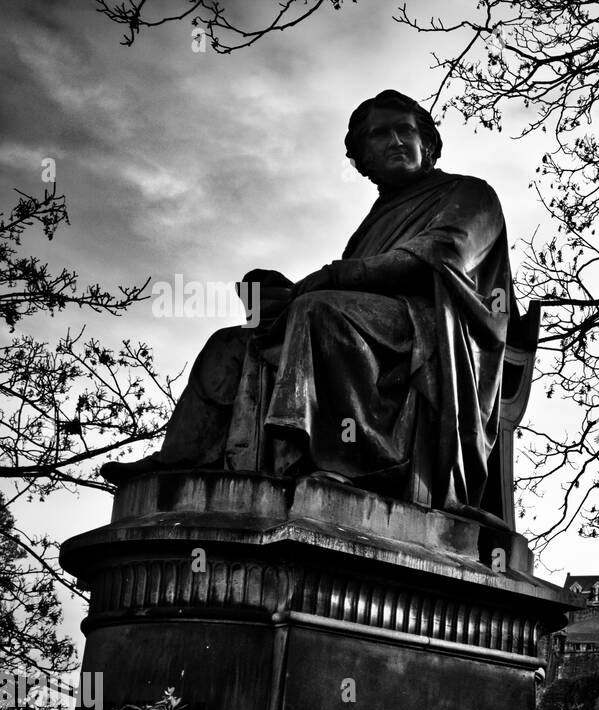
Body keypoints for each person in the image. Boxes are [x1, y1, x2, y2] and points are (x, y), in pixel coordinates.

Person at [102, 90, 517, 514]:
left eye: (405, 130)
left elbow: (443, 254)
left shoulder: (470, 194)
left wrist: (326, 280)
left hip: (433, 335)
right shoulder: (372, 224)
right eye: (379, 135)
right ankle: (182, 461)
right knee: (231, 343)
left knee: (320, 314)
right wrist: (283, 294)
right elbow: (353, 290)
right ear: (364, 161)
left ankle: (347, 460)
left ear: (427, 143)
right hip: (372, 332)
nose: (395, 141)